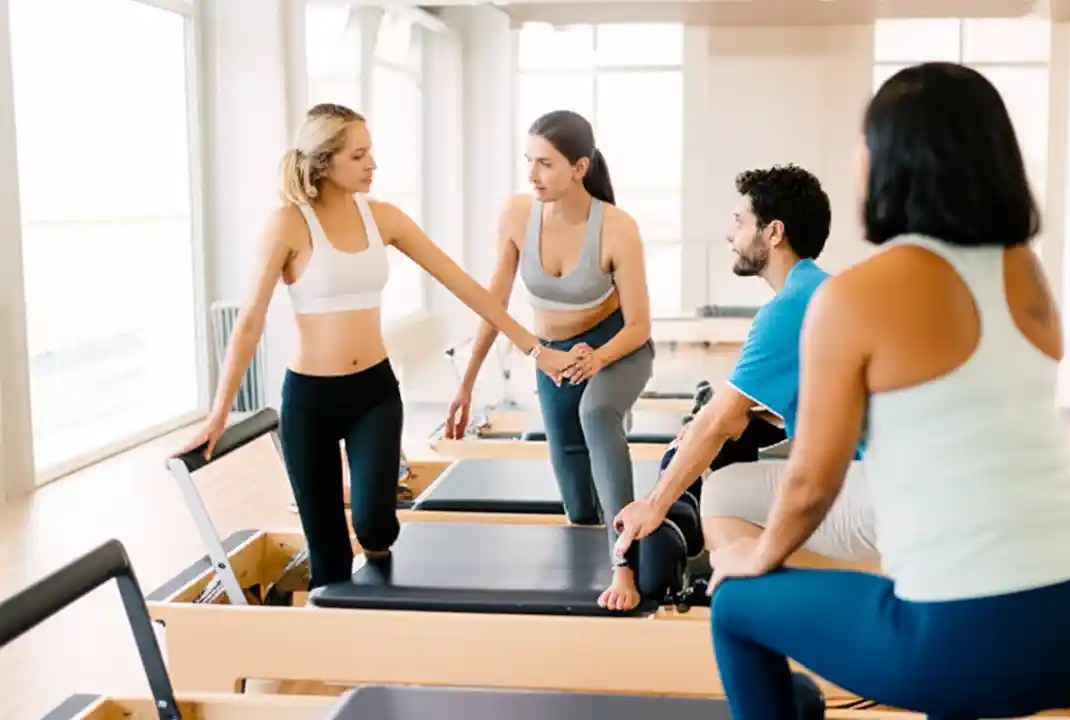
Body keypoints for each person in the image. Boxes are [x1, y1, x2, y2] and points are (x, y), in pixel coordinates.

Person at [705, 63, 1070, 720]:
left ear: (889, 159)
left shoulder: (854, 296)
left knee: (736, 607)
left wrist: (754, 553)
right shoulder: (1025, 272)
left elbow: (809, 485)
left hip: (974, 633)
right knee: (961, 662)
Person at [175, 103, 580, 589]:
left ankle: (376, 600)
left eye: (372, 153)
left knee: (375, 524)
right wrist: (220, 414)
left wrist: (537, 350)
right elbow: (249, 322)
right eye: (359, 155)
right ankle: (338, 653)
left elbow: (467, 287)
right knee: (327, 551)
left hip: (373, 395)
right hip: (309, 402)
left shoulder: (383, 218)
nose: (373, 164)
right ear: (324, 162)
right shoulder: (287, 224)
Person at [612, 164, 878, 571]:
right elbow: (821, 401)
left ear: (773, 232)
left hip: (877, 495)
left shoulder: (789, 307)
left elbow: (719, 421)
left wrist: (653, 505)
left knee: (723, 494)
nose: (729, 234)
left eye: (740, 221)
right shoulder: (821, 287)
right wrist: (745, 412)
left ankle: (768, 607)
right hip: (892, 482)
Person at [444, 110, 655, 612]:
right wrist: (467, 384)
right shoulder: (517, 213)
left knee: (596, 414)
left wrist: (597, 357)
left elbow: (640, 327)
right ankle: (590, 564)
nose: (532, 175)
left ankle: (625, 561)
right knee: (579, 503)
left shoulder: (618, 228)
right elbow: (493, 303)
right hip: (552, 359)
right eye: (528, 162)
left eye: (545, 163)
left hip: (615, 348)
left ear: (580, 167)